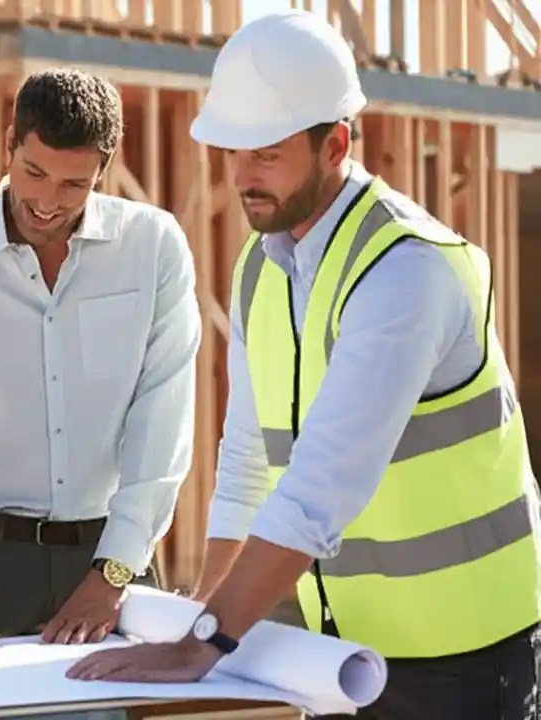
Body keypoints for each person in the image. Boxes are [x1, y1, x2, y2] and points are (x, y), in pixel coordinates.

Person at [66, 11, 541, 719]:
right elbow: (248, 462)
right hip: (345, 654)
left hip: (467, 660)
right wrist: (202, 605)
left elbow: (321, 485)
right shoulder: (264, 267)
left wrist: (205, 641)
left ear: (335, 145)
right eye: (233, 152)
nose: (242, 176)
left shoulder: (406, 273)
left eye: (267, 155)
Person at [0, 68, 202, 646]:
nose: (48, 202)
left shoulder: (154, 248)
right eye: (34, 173)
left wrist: (115, 570)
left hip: (113, 560)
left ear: (104, 171)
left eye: (74, 185)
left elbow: (164, 419)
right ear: (10, 144)